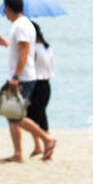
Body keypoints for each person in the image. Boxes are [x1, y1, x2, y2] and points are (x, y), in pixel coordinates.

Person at [0, 0, 57, 162]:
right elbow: (21, 50)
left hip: (22, 77)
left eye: (5, 9)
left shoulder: (21, 25)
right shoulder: (24, 24)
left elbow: (23, 50)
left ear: (8, 8)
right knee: (10, 114)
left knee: (15, 115)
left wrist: (15, 76)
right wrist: (6, 44)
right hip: (23, 75)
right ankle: (18, 153)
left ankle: (46, 139)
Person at [26, 21, 56, 161]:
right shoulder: (46, 47)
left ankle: (46, 143)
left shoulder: (35, 49)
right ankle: (40, 146)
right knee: (39, 116)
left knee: (31, 117)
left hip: (37, 84)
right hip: (46, 84)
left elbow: (27, 62)